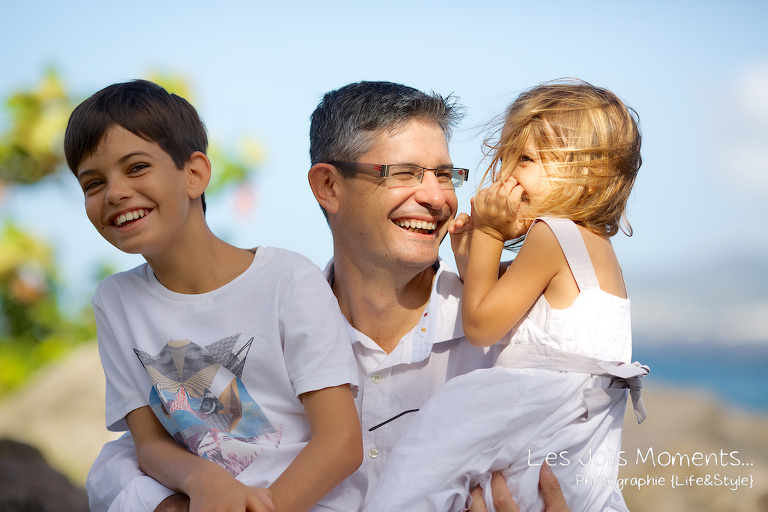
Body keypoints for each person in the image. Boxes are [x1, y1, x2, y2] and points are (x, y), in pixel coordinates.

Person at [83, 80, 571, 512]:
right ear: (328, 186)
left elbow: (579, 463)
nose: (437, 197)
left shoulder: (517, 328)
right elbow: (125, 461)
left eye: (444, 175)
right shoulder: (273, 316)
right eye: (403, 173)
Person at [65, 80, 363, 512]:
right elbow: (147, 445)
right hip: (204, 500)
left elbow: (341, 442)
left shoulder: (287, 279)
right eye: (92, 183)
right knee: (110, 469)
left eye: (136, 168)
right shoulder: (115, 300)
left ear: (195, 174)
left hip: (306, 500)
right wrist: (204, 478)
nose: (114, 193)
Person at [364, 80, 649, 512]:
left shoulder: (551, 235)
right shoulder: (593, 247)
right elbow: (510, 302)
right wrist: (473, 254)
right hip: (580, 443)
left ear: (587, 178)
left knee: (428, 450)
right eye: (507, 158)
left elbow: (481, 325)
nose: (508, 173)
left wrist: (492, 233)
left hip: (534, 419)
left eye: (527, 159)